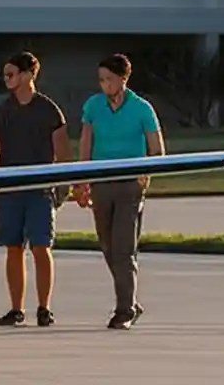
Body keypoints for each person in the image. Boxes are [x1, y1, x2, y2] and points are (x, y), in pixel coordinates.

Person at [0, 51, 70, 328]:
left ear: (29, 75)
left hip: (40, 190)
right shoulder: (3, 111)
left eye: (12, 73)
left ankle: (44, 308)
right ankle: (16, 309)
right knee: (13, 247)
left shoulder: (49, 110)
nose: (7, 79)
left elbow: (62, 153)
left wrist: (65, 186)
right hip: (9, 189)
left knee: (41, 246)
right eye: (5, 74)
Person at [73, 53, 165, 330]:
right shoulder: (93, 106)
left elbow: (157, 150)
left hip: (129, 186)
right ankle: (132, 301)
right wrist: (81, 182)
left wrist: (143, 176)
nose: (104, 85)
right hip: (102, 182)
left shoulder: (142, 109)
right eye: (101, 80)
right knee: (108, 246)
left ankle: (123, 310)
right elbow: (86, 146)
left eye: (109, 80)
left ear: (123, 79)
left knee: (124, 248)